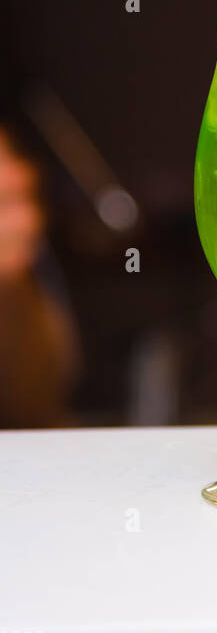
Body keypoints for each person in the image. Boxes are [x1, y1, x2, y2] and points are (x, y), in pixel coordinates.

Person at [0, 126, 78, 426]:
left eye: (29, 198)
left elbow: (45, 417)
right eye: (5, 204)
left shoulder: (31, 291)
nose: (30, 222)